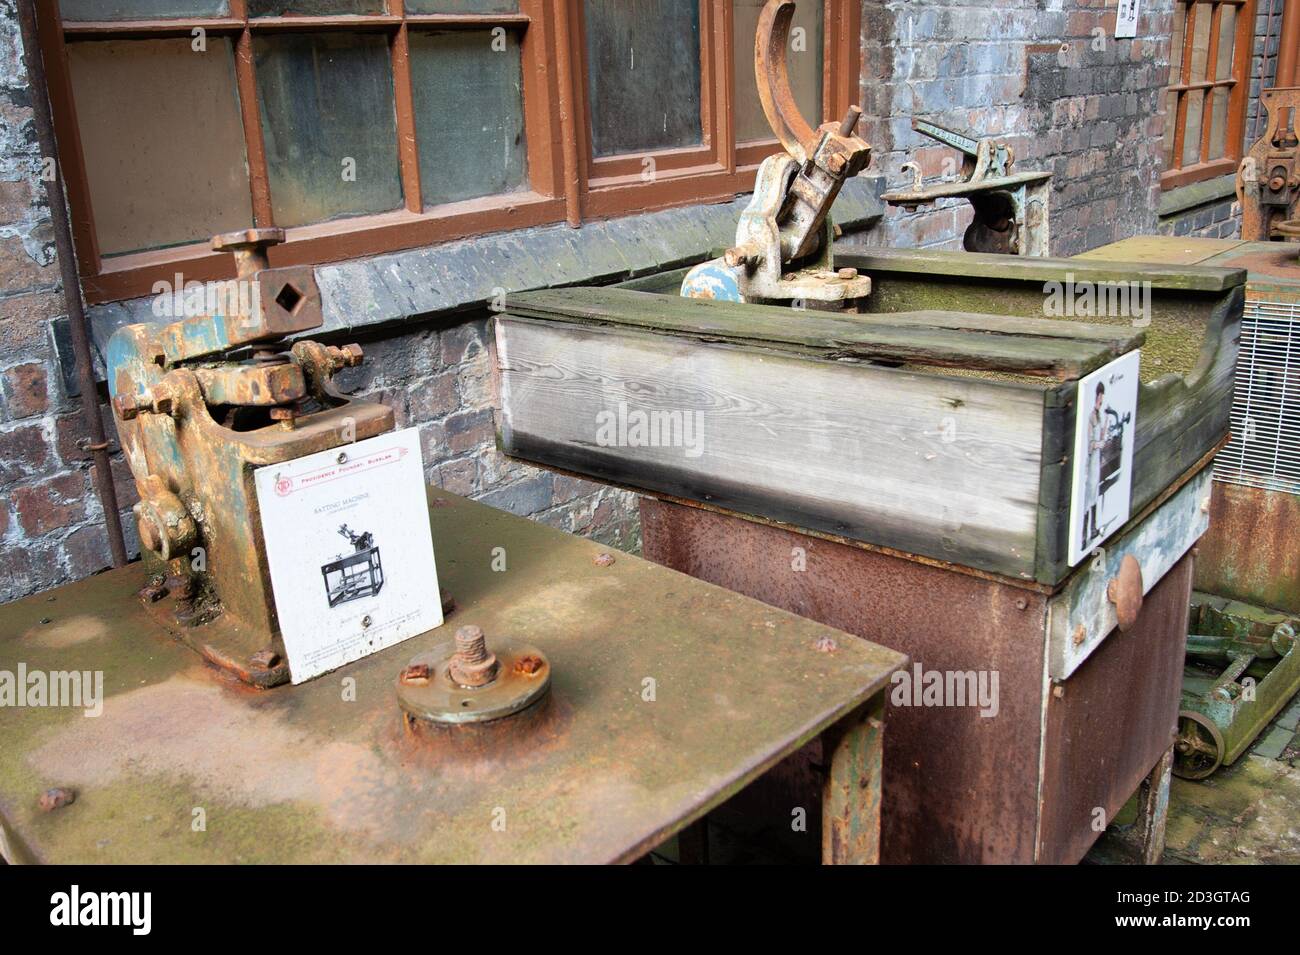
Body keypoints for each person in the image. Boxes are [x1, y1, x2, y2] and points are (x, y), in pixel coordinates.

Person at [1082, 381, 1105, 550]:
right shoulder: (1090, 416)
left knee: (1094, 494)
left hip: (1096, 462)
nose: (1101, 402)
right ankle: (1083, 536)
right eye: (1099, 399)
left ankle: (1093, 528)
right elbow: (1087, 443)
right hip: (1090, 463)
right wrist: (1097, 444)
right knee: (1087, 496)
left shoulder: (1099, 415)